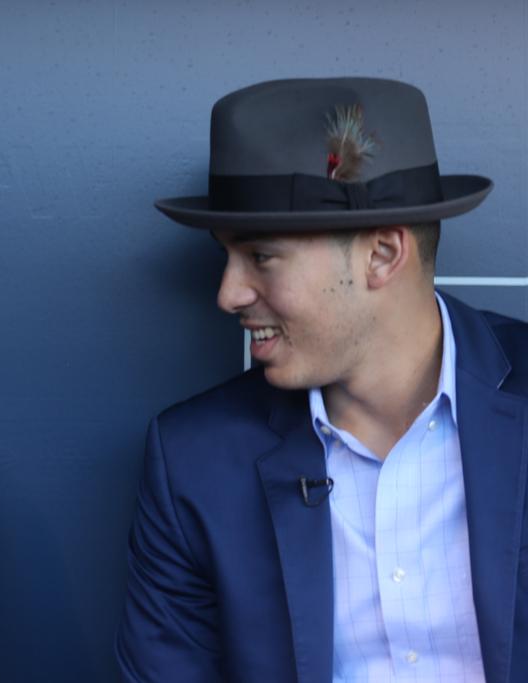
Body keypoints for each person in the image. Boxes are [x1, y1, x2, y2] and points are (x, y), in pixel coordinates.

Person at [116, 77, 528, 682]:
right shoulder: (193, 465)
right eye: (225, 256)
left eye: (261, 256)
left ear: (382, 255)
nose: (228, 294)